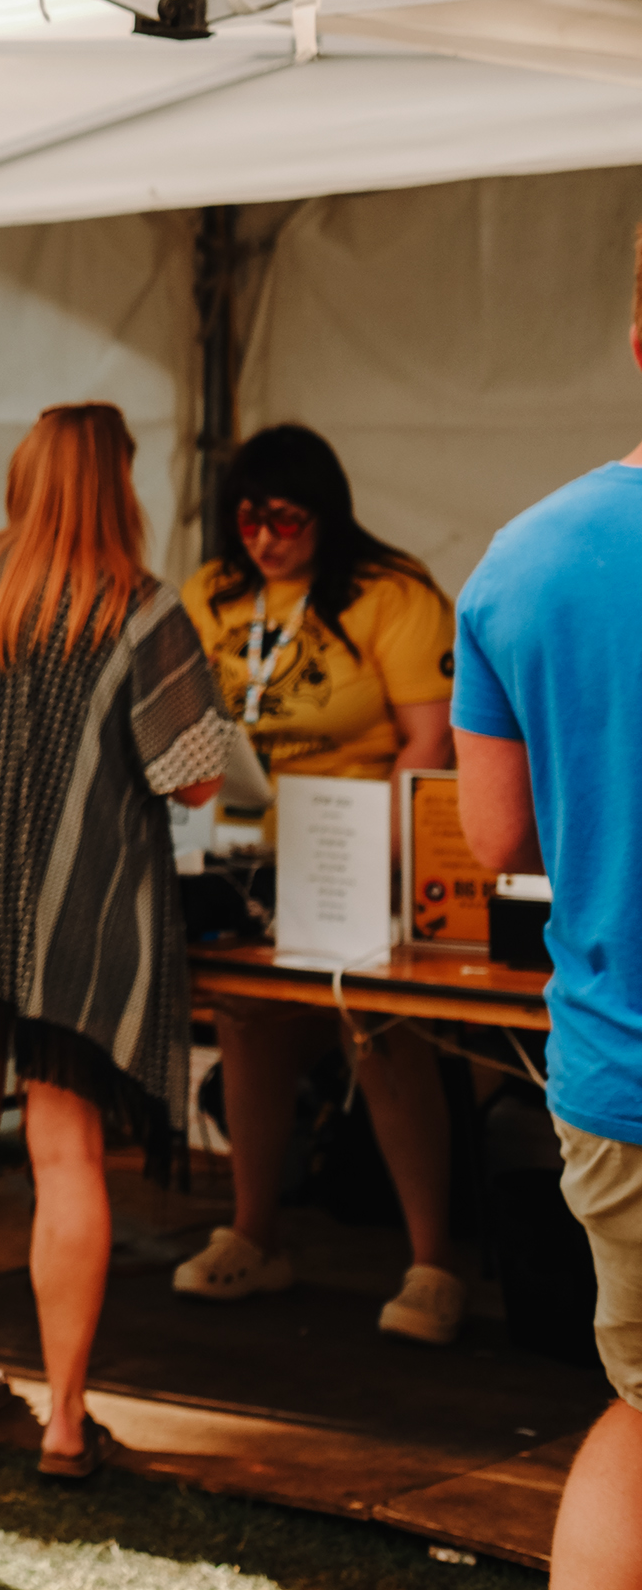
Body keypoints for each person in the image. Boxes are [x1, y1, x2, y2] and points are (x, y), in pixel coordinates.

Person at [0, 403, 228, 1479]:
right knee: (69, 1152)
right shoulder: (145, 608)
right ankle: (67, 1420)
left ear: (22, 474)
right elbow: (194, 773)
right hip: (83, 911)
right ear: (122, 485)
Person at [167, 424, 465, 1342]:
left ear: (326, 513)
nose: (265, 537)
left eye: (286, 517)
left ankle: (433, 1264)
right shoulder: (211, 594)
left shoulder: (393, 595)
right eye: (249, 518)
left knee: (374, 1026)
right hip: (243, 853)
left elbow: (433, 738)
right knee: (249, 1022)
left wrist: (371, 847)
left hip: (357, 849)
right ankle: (254, 1234)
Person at [452, 235, 642, 1590]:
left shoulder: (525, 557)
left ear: (635, 342)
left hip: (617, 1066)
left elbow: (495, 837)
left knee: (641, 1414)